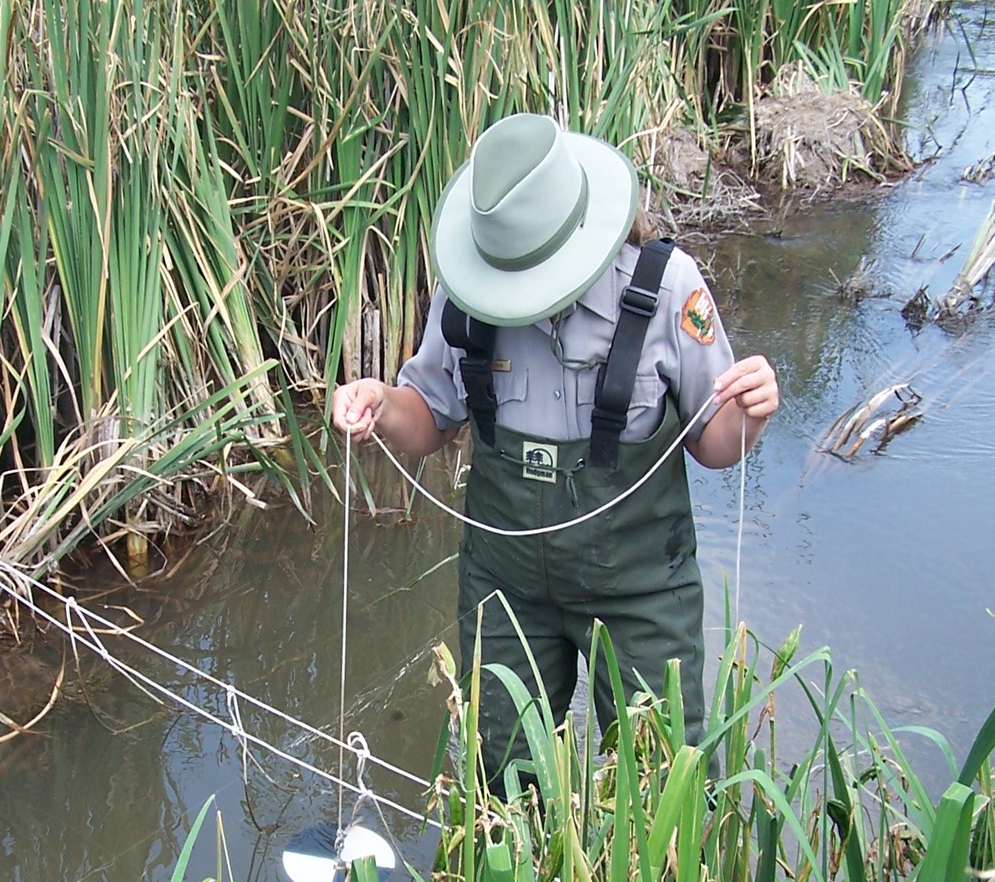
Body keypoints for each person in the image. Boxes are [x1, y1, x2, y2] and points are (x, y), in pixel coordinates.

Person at [332, 113, 779, 787]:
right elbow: (430, 420)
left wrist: (751, 415)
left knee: (667, 785)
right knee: (501, 784)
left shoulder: (667, 288)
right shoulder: (468, 289)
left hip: (642, 591)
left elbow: (713, 447)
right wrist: (379, 405)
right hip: (505, 586)